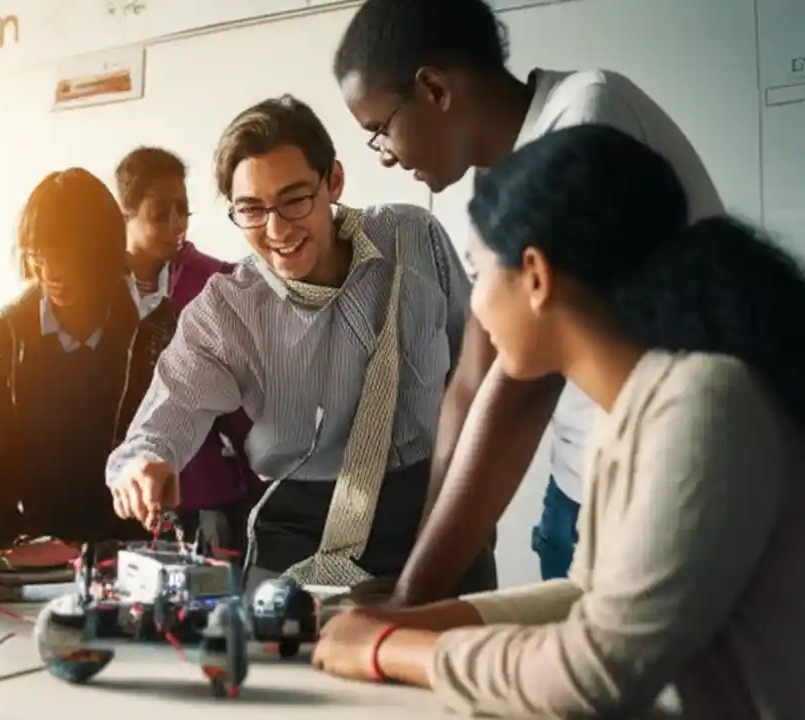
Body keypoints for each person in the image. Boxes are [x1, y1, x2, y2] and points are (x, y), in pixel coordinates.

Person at [311, 125, 805, 718]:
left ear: (536, 277)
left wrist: (388, 648)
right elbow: (586, 595)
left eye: (479, 272)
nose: (478, 307)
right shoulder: (634, 408)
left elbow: (596, 671)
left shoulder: (706, 402)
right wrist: (402, 620)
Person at [331, 0, 723, 600]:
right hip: (575, 495)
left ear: (433, 87)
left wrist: (414, 595)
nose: (383, 152)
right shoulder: (496, 180)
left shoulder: (587, 116)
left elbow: (522, 386)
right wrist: (420, 572)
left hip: (662, 499)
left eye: (378, 129)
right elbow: (471, 380)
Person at [107, 96, 495, 594]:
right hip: (301, 532)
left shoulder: (413, 239)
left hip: (433, 510)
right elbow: (165, 415)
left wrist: (477, 503)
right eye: (250, 209)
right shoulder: (228, 311)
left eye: (294, 200)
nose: (276, 230)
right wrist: (144, 463)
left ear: (333, 181)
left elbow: (478, 371)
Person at [0, 168, 162, 548]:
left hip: (134, 543)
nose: (51, 274)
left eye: (65, 256)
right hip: (38, 546)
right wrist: (6, 548)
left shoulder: (148, 327)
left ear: (101, 251)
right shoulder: (5, 332)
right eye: (39, 257)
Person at [115, 146, 260, 558]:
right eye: (161, 213)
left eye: (184, 210)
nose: (177, 225)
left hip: (203, 494)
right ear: (126, 210)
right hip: (120, 496)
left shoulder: (217, 282)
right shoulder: (96, 292)